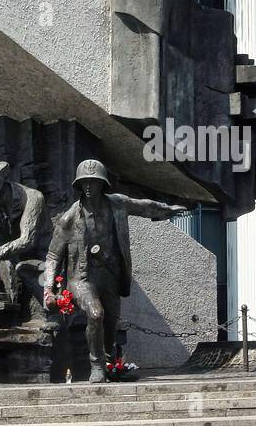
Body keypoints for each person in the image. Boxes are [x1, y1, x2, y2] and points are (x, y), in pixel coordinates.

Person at [43, 160, 184, 382]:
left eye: (93, 181)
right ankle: (97, 366)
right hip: (82, 278)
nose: (88, 186)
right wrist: (49, 289)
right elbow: (52, 255)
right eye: (84, 182)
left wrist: (167, 210)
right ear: (78, 185)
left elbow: (144, 206)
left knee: (110, 323)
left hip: (110, 274)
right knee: (95, 313)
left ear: (102, 184)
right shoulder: (69, 219)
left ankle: (109, 364)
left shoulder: (117, 204)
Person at [0, 160, 50, 318]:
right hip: (11, 256)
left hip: (42, 254)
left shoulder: (32, 198)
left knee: (47, 292)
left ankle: (50, 312)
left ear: (4, 177)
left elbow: (27, 240)